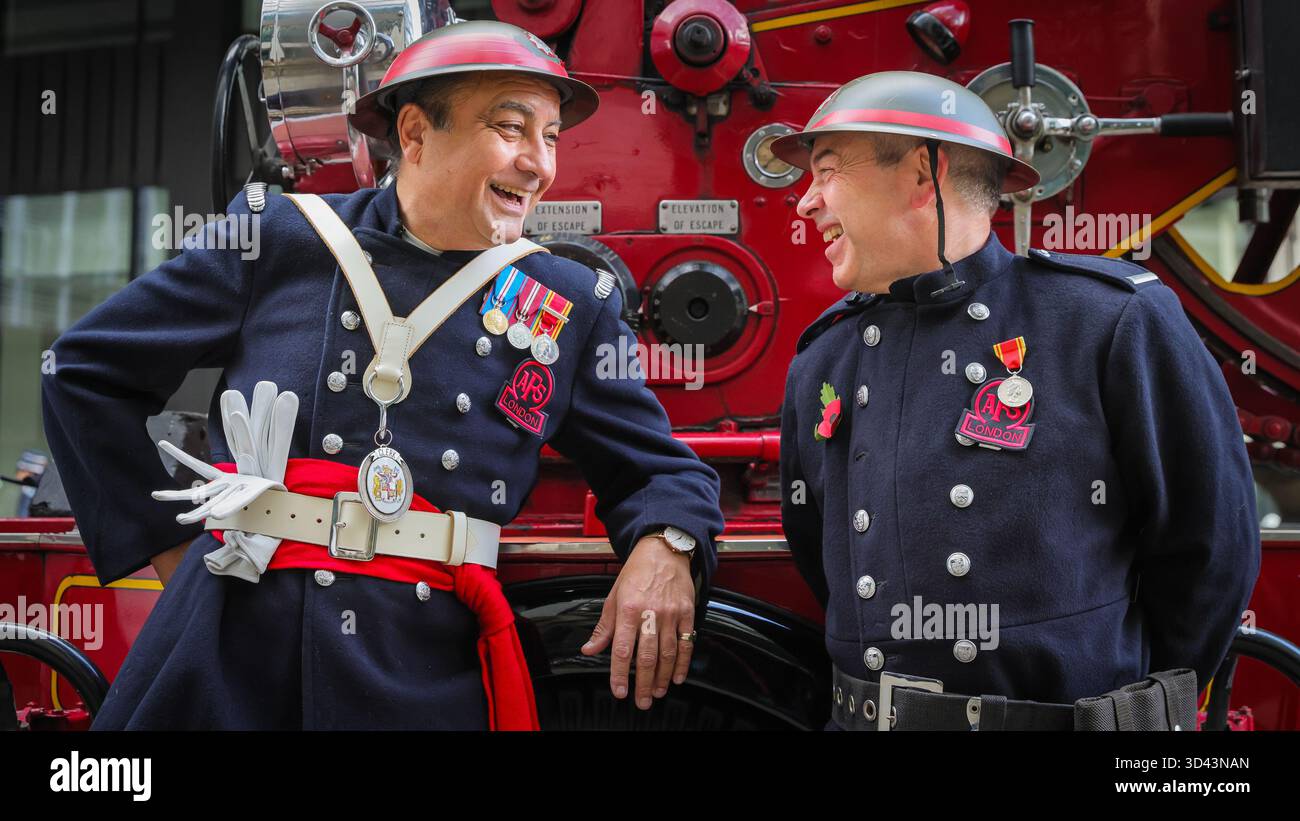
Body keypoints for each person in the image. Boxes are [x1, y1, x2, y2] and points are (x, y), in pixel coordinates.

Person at [41, 20, 724, 730]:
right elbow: (81, 372)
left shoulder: (571, 303)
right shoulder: (277, 234)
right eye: (512, 127)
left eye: (551, 136)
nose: (538, 163)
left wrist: (666, 546)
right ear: (416, 134)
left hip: (419, 672)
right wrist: (170, 550)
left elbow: (662, 473)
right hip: (228, 655)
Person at [773, 71, 1259, 730]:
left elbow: (1208, 551)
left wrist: (1121, 712)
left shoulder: (1109, 322)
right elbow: (820, 555)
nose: (805, 204)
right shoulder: (824, 359)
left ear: (923, 170)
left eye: (826, 172)